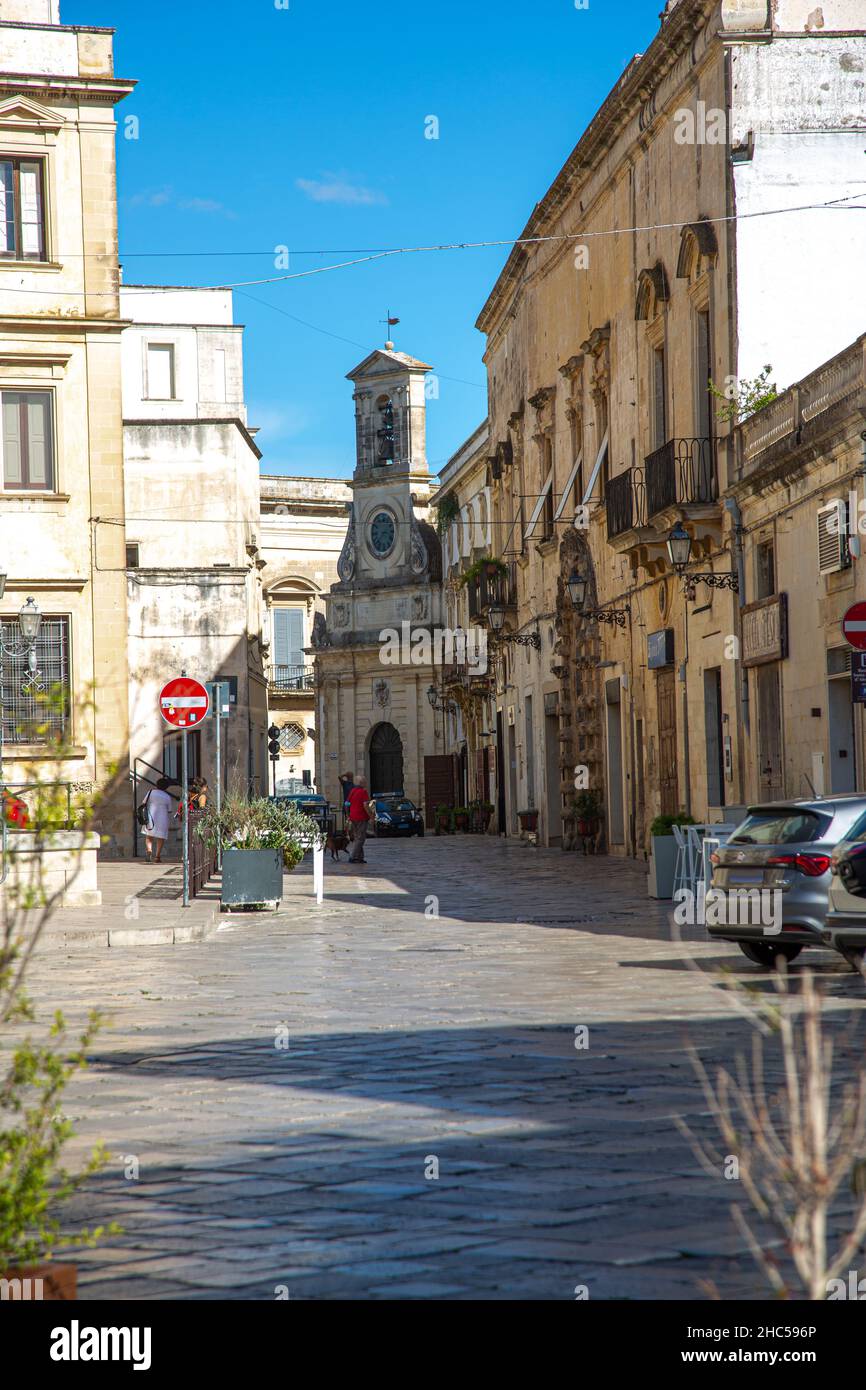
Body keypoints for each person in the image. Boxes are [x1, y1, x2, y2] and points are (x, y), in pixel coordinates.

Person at [144, 777, 174, 864]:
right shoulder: (167, 796)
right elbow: (169, 810)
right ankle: (157, 856)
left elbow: (144, 802)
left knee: (149, 836)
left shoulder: (150, 792)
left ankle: (149, 850)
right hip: (162, 818)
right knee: (160, 837)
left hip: (151, 816)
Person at [347, 775, 372, 864]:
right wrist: (371, 816)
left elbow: (347, 804)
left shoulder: (352, 791)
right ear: (361, 783)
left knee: (358, 837)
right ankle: (353, 856)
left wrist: (348, 815)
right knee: (360, 839)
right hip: (361, 817)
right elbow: (365, 805)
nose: (366, 783)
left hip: (353, 817)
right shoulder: (363, 792)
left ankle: (359, 857)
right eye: (365, 781)